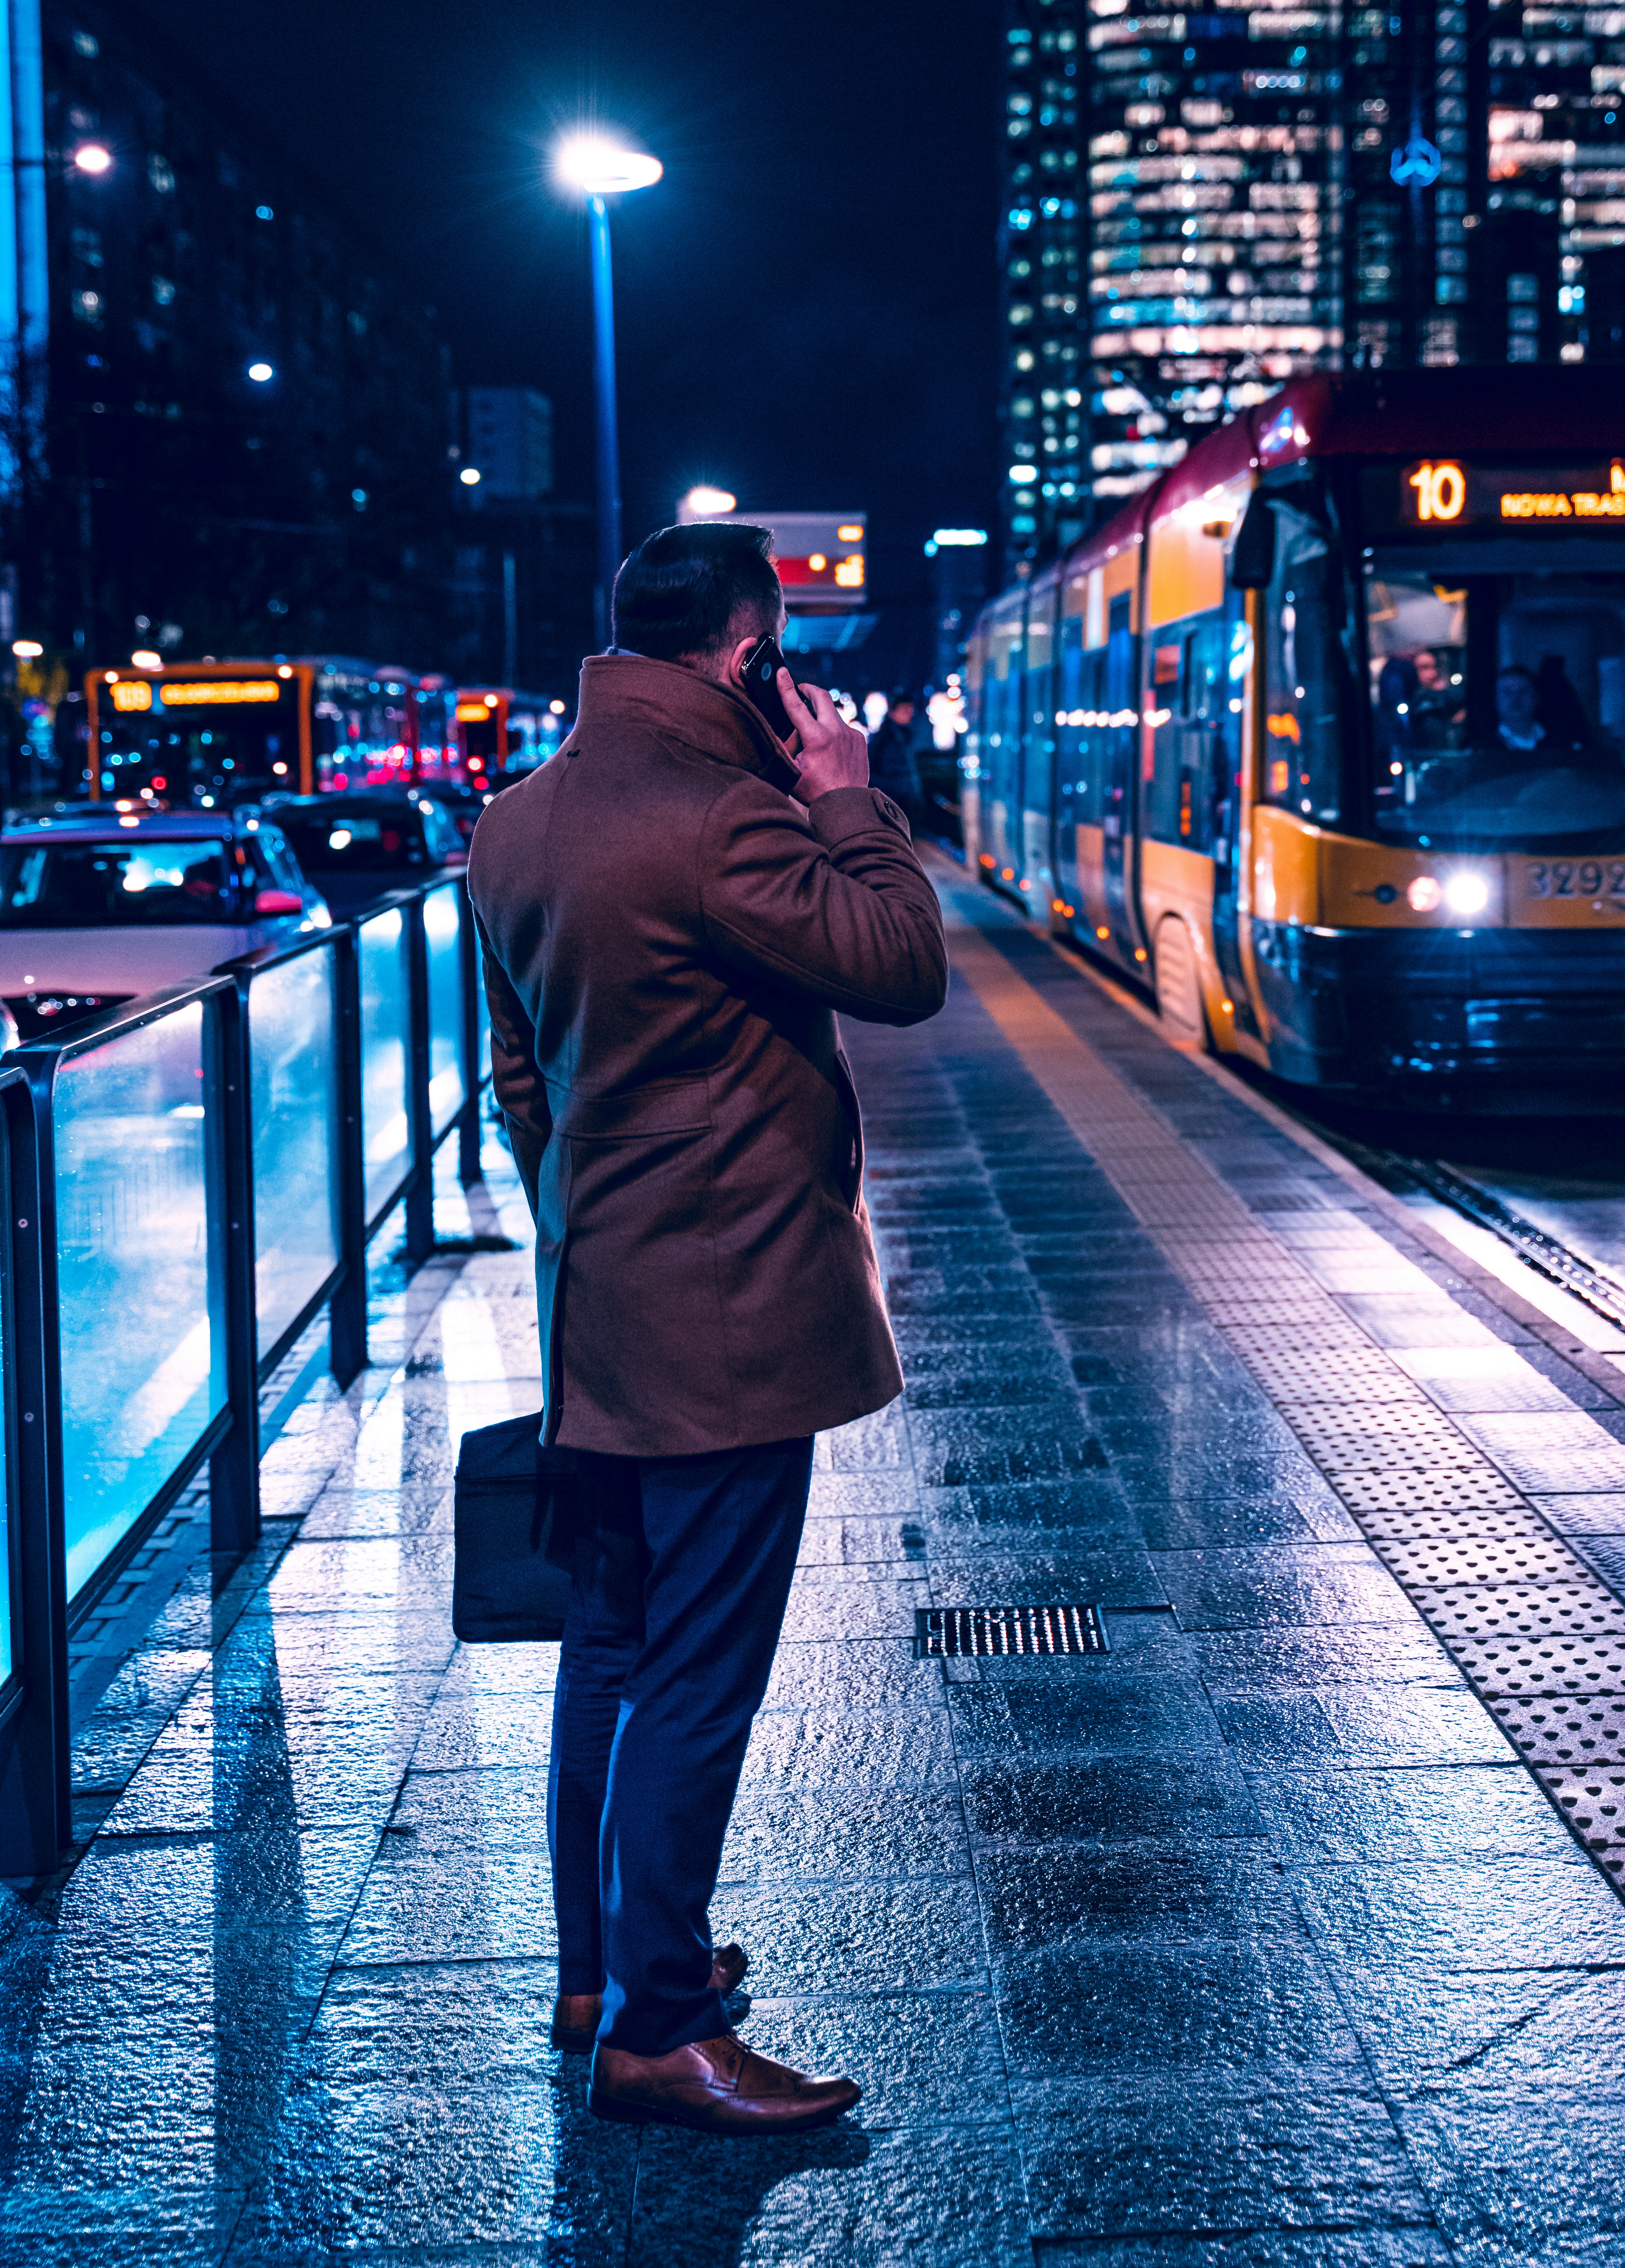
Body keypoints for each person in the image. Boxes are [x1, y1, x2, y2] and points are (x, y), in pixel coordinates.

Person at [466, 521, 947, 2135]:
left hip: (596, 1308)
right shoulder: (721, 816)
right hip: (727, 1320)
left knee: (607, 1646)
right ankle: (660, 2029)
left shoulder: (515, 821)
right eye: (779, 654)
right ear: (748, 653)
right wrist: (842, 793)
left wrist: (598, 1223)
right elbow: (895, 963)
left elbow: (520, 1082)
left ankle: (601, 1969)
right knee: (695, 1672)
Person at [865, 689, 924, 829]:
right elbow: (871, 769)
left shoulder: (905, 736)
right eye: (906, 711)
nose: (910, 714)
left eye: (911, 711)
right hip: (894, 800)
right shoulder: (884, 738)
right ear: (893, 712)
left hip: (905, 798)